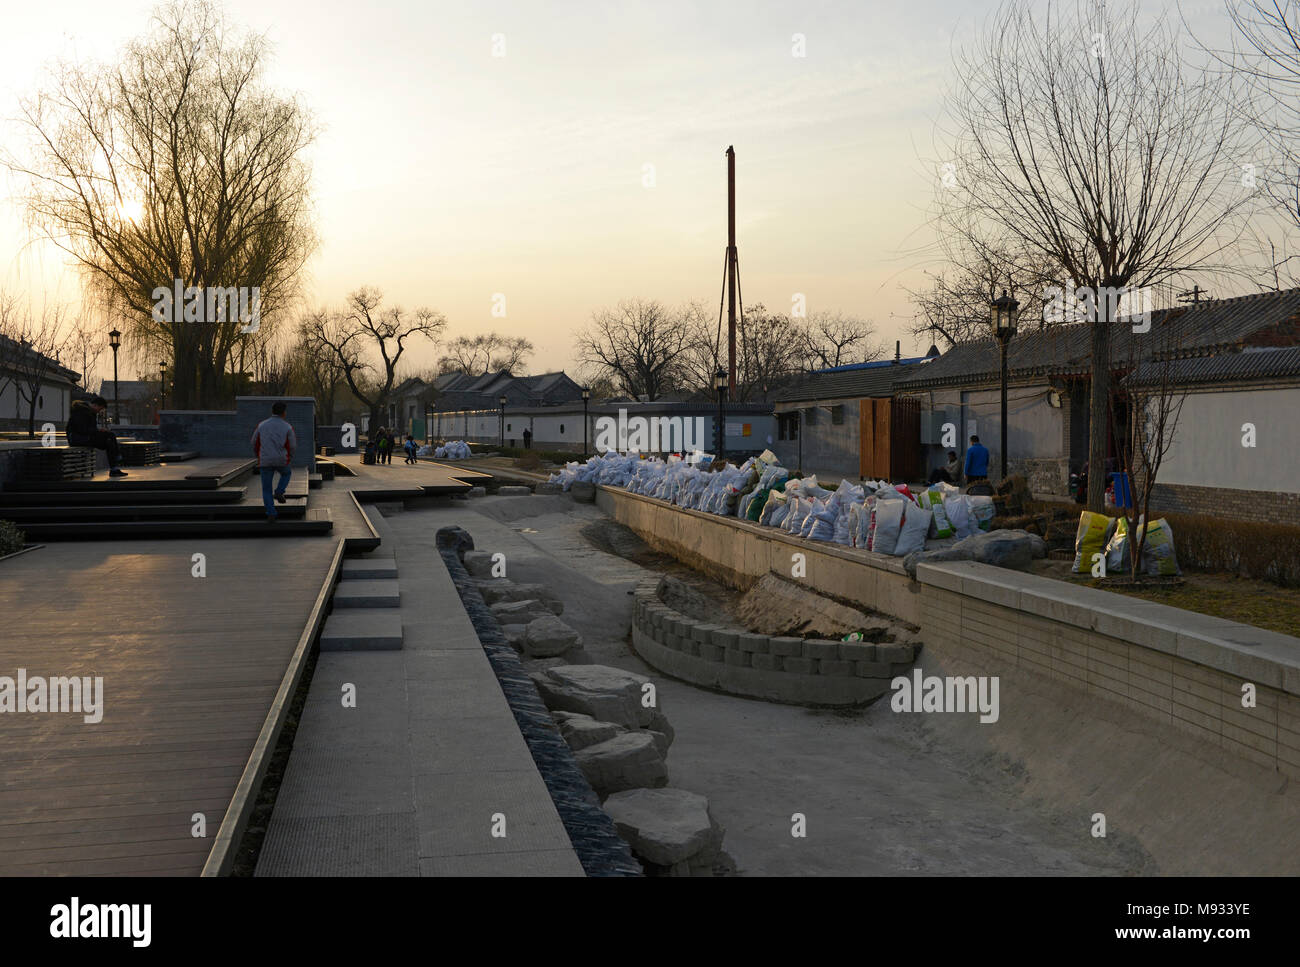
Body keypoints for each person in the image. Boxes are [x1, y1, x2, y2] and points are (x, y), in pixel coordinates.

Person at [251, 402, 297, 522]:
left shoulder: (261, 425)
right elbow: (292, 445)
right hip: (281, 459)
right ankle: (279, 491)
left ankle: (271, 513)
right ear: (284, 413)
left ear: (272, 411)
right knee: (286, 473)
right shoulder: (287, 427)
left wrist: (258, 455)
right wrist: (290, 457)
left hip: (265, 460)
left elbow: (254, 441)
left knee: (266, 488)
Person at [66, 395, 128, 477]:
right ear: (95, 405)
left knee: (109, 439)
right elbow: (83, 429)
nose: (100, 411)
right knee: (109, 437)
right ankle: (117, 459)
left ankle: (114, 468)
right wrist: (99, 431)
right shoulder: (81, 411)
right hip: (77, 439)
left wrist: (99, 431)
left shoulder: (91, 413)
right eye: (100, 408)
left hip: (85, 437)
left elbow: (90, 430)